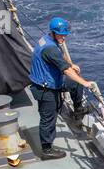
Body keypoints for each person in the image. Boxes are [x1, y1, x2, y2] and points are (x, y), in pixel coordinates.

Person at [28, 17, 98, 159]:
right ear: (53, 33)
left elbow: (60, 56)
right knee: (49, 117)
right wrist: (85, 83)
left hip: (52, 82)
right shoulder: (50, 49)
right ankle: (47, 149)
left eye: (65, 34)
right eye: (61, 35)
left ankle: (78, 110)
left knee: (74, 82)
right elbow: (65, 70)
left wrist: (71, 65)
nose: (64, 37)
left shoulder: (47, 40)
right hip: (45, 89)